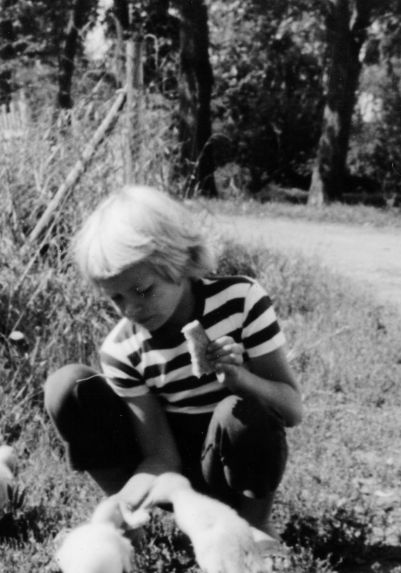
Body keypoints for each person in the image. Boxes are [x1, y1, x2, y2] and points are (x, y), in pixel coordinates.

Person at [43, 185, 304, 538]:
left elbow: (291, 410)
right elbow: (161, 455)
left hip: (229, 468)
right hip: (170, 481)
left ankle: (254, 526)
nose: (132, 309)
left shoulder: (241, 301)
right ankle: (130, 525)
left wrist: (241, 379)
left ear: (180, 261)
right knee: (68, 385)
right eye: (116, 298)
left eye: (143, 290)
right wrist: (120, 505)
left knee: (241, 411)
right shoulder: (122, 350)